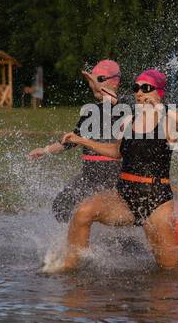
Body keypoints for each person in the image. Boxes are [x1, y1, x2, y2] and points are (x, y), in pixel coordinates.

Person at [45, 68, 178, 272]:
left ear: (158, 92)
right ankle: (69, 269)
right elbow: (117, 152)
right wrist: (82, 140)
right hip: (124, 196)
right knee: (83, 212)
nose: (139, 93)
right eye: (136, 88)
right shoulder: (129, 121)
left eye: (146, 88)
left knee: (168, 270)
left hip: (157, 200)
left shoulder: (168, 120)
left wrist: (161, 108)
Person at [29, 59, 127, 222]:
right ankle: (73, 243)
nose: (93, 84)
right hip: (90, 177)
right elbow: (71, 141)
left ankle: (123, 241)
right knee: (61, 206)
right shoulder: (91, 111)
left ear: (115, 82)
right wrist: (45, 150)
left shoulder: (128, 106)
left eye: (100, 79)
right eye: (92, 80)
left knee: (111, 217)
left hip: (117, 178)